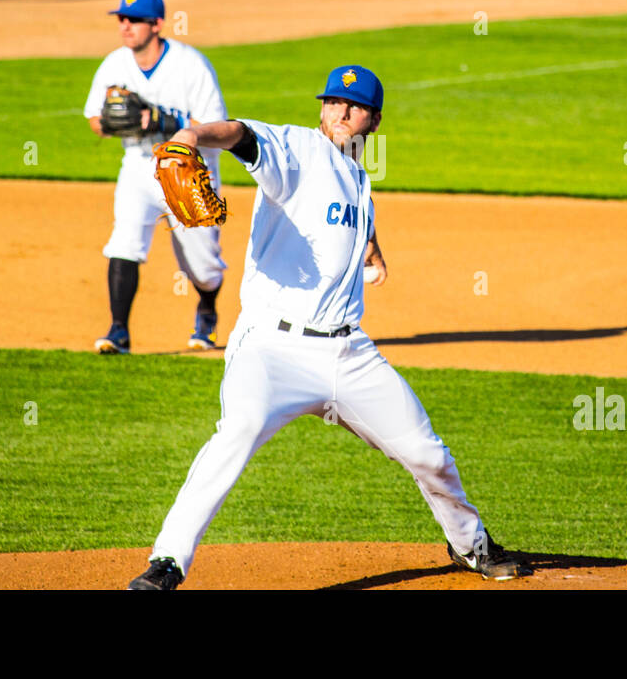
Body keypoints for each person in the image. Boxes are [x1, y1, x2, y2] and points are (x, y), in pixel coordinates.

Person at [128, 65, 530, 589]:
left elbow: (344, 214)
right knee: (238, 431)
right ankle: (167, 562)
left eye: (354, 106)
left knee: (428, 454)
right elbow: (242, 136)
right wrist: (193, 135)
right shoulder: (294, 149)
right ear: (321, 108)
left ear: (374, 121)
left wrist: (371, 246)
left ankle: (470, 545)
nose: (341, 112)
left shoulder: (358, 174)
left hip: (349, 353)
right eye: (333, 102)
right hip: (270, 349)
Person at [84, 0, 228, 354]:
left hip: (187, 169)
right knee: (124, 243)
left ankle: (207, 308)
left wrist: (166, 121)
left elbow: (215, 125)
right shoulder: (114, 64)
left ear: (157, 24)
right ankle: (119, 332)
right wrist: (117, 123)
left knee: (204, 268)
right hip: (138, 166)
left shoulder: (191, 64)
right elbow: (96, 121)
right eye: (121, 18)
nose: (126, 25)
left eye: (134, 19)